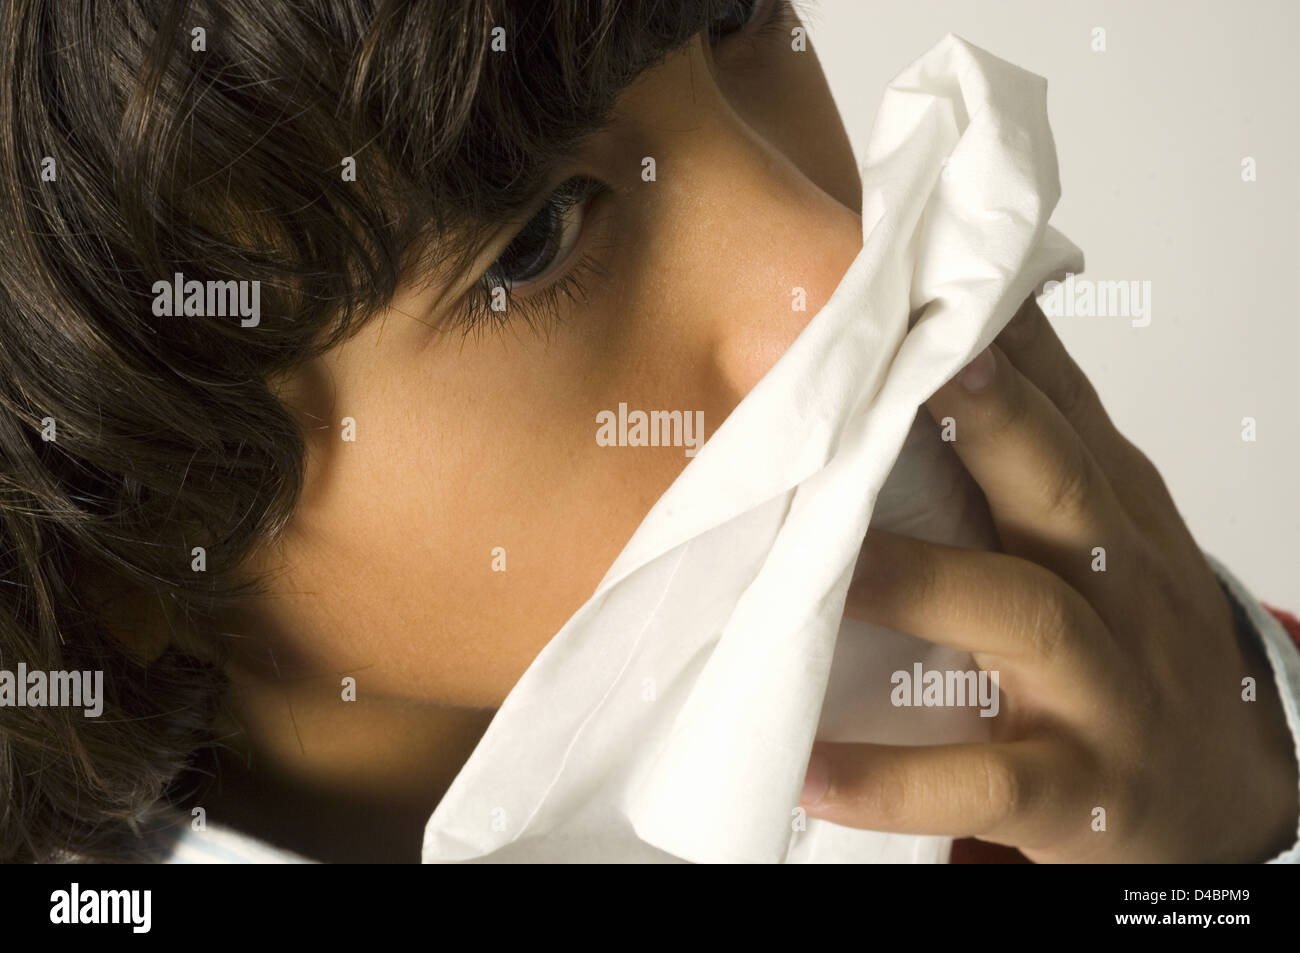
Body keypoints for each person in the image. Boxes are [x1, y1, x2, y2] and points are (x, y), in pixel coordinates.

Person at [1, 0, 1296, 864]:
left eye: (738, 19)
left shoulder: (1112, 737)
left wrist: (1238, 808)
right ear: (139, 540)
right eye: (537, 241)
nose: (829, 262)